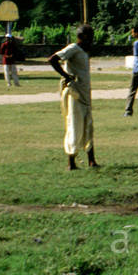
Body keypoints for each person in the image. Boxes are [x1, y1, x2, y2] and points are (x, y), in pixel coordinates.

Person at [48, 25, 98, 170]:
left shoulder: (83, 51)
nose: (93, 40)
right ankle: (71, 162)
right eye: (91, 37)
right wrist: (66, 76)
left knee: (88, 125)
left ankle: (92, 160)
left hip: (85, 94)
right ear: (84, 37)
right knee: (75, 125)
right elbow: (52, 59)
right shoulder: (73, 48)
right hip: (74, 94)